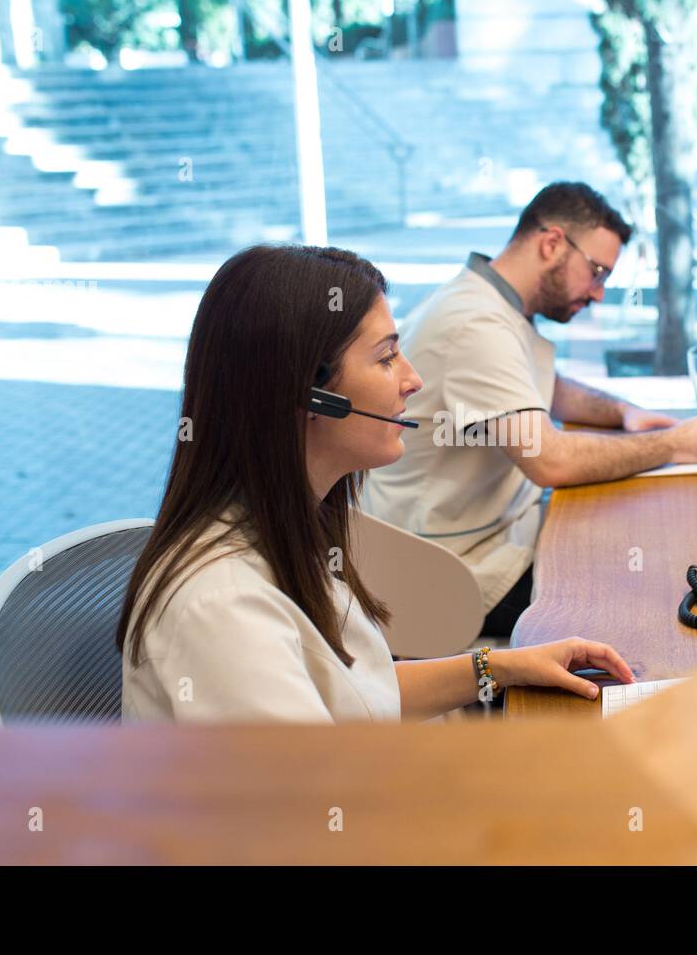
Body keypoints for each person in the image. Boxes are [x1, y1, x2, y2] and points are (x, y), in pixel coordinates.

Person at [117, 244, 634, 724]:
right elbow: (313, 808)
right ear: (311, 397)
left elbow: (358, 694)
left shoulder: (288, 528)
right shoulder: (222, 609)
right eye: (386, 358)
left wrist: (500, 668)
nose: (413, 380)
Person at [362, 182, 697, 638]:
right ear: (552, 242)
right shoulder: (476, 323)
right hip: (456, 569)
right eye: (596, 272)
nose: (598, 294)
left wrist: (622, 413)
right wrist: (675, 444)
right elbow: (551, 459)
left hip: (492, 530)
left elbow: (540, 387)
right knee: (645, 590)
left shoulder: (486, 299)